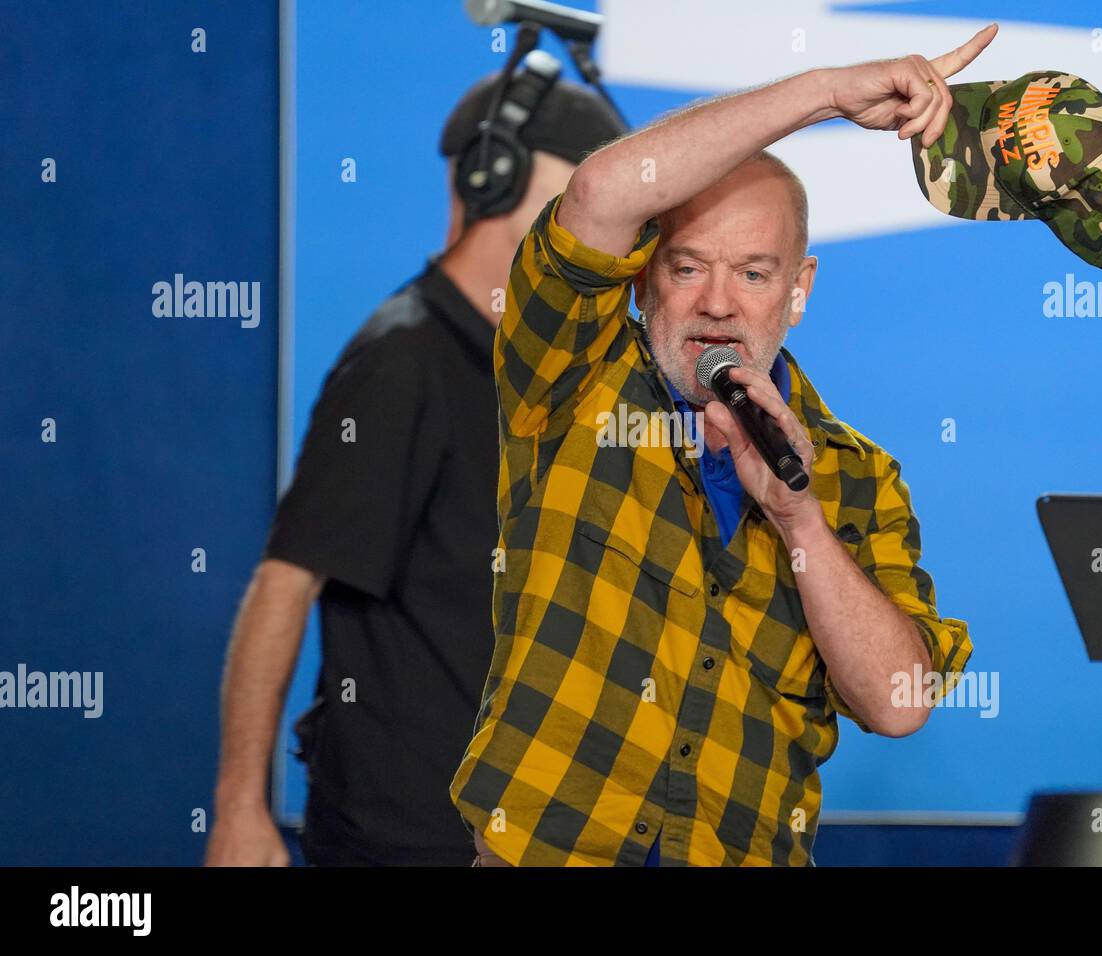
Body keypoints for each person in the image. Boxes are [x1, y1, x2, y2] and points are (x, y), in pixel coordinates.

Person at [451, 26, 999, 867]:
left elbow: (900, 703)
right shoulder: (572, 379)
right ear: (642, 275)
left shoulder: (856, 475)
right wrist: (824, 91)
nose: (717, 303)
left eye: (752, 272)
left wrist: (802, 524)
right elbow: (601, 189)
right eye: (686, 267)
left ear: (798, 290)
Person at [204, 72, 627, 867]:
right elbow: (284, 584)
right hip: (407, 840)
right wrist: (239, 811)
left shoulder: (540, 370)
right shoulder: (404, 361)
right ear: (493, 181)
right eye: (583, 203)